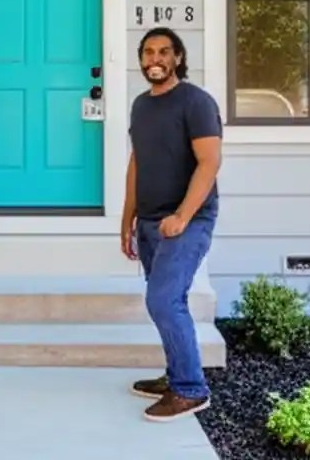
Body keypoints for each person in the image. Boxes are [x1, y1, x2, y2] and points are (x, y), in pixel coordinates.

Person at [121, 26, 223, 422]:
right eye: (148, 52)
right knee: (164, 299)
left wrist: (182, 216)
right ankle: (176, 373)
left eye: (164, 52)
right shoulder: (141, 106)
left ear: (178, 57)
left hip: (188, 219)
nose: (155, 59)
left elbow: (209, 162)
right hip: (149, 220)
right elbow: (137, 162)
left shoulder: (196, 102)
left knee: (164, 299)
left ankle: (191, 389)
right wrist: (127, 217)